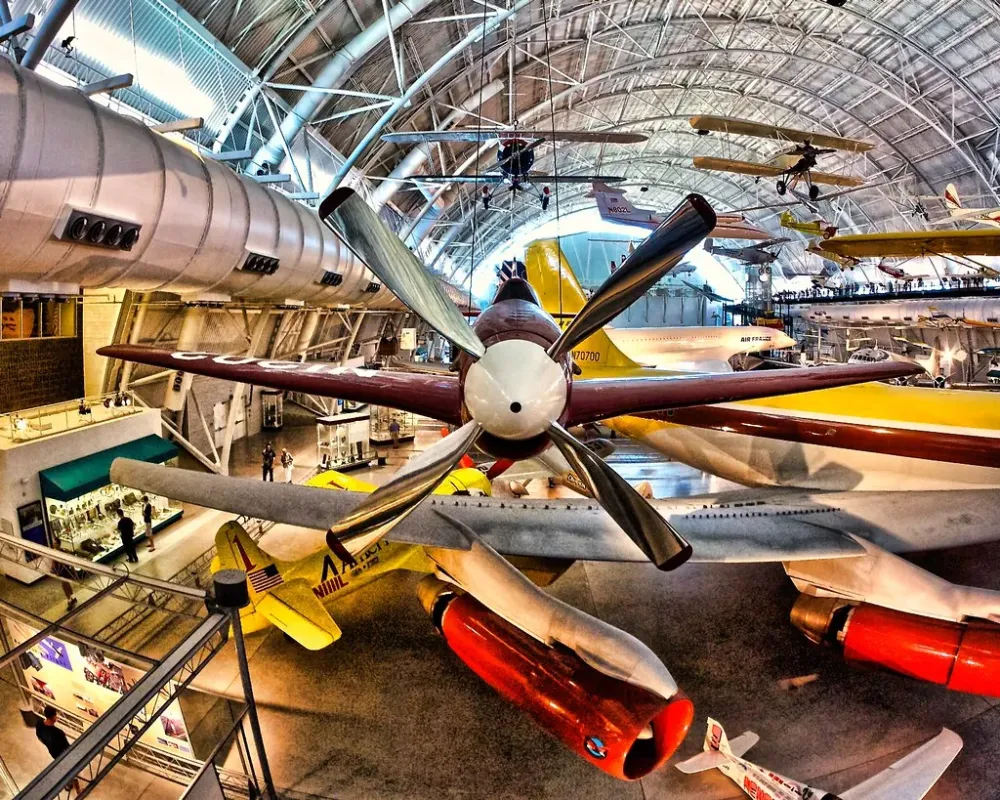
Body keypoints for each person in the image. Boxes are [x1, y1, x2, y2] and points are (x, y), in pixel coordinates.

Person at [35, 705, 81, 794]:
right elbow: (68, 748)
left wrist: (48, 744)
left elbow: (39, 737)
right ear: (53, 717)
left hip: (53, 753)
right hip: (62, 755)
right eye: (56, 715)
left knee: (63, 769)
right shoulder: (58, 732)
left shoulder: (39, 724)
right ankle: (78, 791)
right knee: (72, 771)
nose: (57, 716)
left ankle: (68, 784)